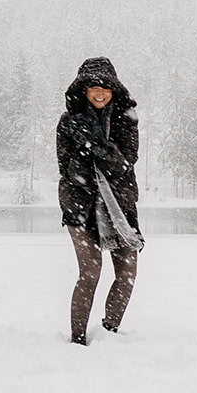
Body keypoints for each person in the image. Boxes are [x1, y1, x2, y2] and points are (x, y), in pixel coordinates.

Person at [57, 57, 144, 345]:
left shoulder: (126, 119)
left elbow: (124, 165)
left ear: (113, 89)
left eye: (105, 87)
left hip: (120, 206)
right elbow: (69, 170)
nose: (99, 93)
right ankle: (78, 340)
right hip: (80, 207)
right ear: (83, 89)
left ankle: (109, 333)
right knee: (90, 272)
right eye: (93, 87)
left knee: (127, 271)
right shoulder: (69, 122)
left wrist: (97, 145)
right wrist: (87, 149)